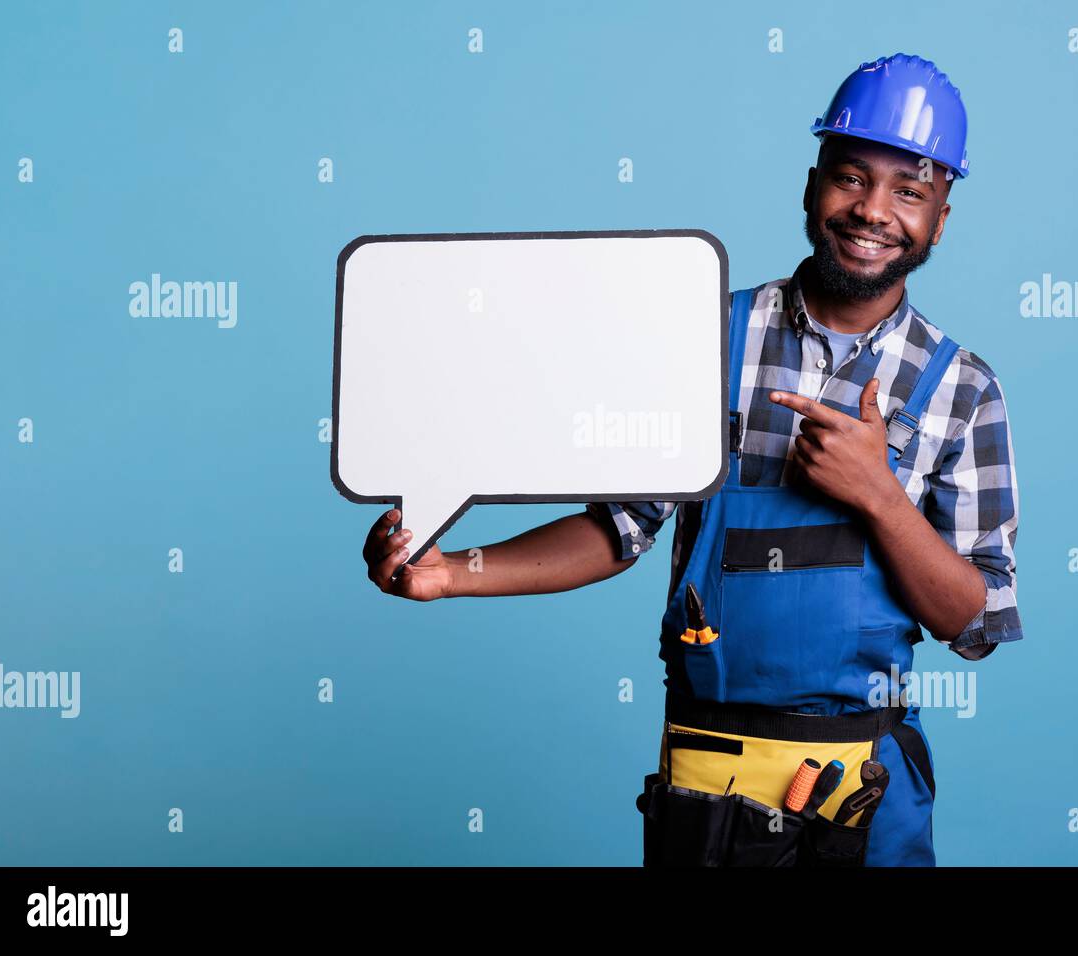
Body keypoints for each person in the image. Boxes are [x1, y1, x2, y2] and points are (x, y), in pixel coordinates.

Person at [360, 54, 1022, 867]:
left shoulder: (963, 389)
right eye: (851, 177)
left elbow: (974, 619)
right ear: (812, 183)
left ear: (942, 217)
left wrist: (881, 497)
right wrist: (450, 570)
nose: (873, 210)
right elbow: (620, 527)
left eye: (909, 190)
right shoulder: (701, 336)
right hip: (710, 788)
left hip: (866, 792)